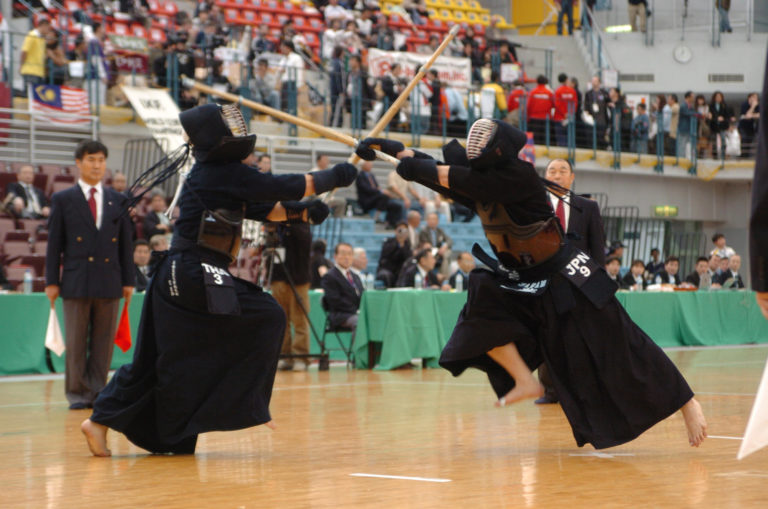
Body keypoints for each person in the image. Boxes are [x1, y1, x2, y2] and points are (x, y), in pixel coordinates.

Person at [355, 119, 707, 449]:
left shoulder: (518, 176)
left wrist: (414, 166)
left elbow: (456, 177)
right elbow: (446, 178)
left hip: (567, 274)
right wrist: (394, 150)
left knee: (622, 343)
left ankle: (686, 402)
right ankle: (525, 380)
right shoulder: (484, 182)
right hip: (523, 277)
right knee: (482, 308)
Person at [80, 104, 357, 456]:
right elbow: (281, 185)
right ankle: (245, 402)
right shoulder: (222, 172)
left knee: (162, 359)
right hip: (194, 271)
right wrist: (335, 175)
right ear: (216, 136)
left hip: (177, 275)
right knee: (267, 315)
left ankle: (100, 420)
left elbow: (266, 209)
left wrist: (304, 212)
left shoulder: (219, 175)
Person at [45, 140, 135, 410]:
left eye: (101, 160)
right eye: (91, 159)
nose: (97, 165)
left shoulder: (118, 200)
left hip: (110, 279)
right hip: (75, 279)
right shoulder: (63, 199)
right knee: (76, 340)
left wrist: (129, 280)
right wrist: (51, 280)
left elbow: (126, 243)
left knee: (103, 341)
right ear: (79, 162)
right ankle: (77, 393)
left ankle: (98, 393)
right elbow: (54, 244)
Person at [320, 242, 364, 336]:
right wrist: (355, 310)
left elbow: (362, 296)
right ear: (335, 256)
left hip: (356, 312)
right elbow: (335, 300)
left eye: (349, 254)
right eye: (343, 253)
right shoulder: (329, 276)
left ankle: (374, 351)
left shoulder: (355, 276)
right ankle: (358, 350)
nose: (347, 257)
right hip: (340, 315)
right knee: (360, 322)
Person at [355, 160, 404, 229]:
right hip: (367, 200)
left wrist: (383, 191)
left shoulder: (371, 175)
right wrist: (381, 191)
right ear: (363, 165)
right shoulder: (360, 176)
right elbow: (367, 189)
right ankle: (376, 217)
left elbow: (377, 187)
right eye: (369, 164)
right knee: (384, 196)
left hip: (376, 199)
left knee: (396, 206)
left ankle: (391, 224)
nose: (371, 165)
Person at [376, 220, 412, 287]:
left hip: (400, 271)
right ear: (395, 231)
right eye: (400, 230)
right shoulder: (388, 242)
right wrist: (398, 242)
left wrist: (402, 245)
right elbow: (387, 254)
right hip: (387, 269)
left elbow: (408, 258)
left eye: (404, 230)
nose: (402, 232)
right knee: (387, 276)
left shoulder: (407, 244)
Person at [418, 212, 452, 278]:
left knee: (447, 253)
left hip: (439, 252)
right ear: (427, 221)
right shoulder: (424, 231)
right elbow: (425, 243)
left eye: (434, 219)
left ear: (437, 221)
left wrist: (445, 246)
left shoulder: (440, 231)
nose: (432, 221)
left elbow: (449, 240)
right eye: (431, 219)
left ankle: (445, 276)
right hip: (429, 252)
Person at [20, 18, 51, 90]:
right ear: (43, 25)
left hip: (39, 72)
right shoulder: (32, 35)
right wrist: (21, 65)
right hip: (30, 71)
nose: (48, 31)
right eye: (48, 28)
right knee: (30, 95)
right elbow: (24, 51)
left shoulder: (42, 39)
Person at [526, 75, 554, 145]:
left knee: (535, 137)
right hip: (546, 118)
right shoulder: (549, 93)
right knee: (544, 137)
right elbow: (553, 105)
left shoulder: (533, 92)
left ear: (537, 82)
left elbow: (529, 105)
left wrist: (528, 117)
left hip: (534, 118)